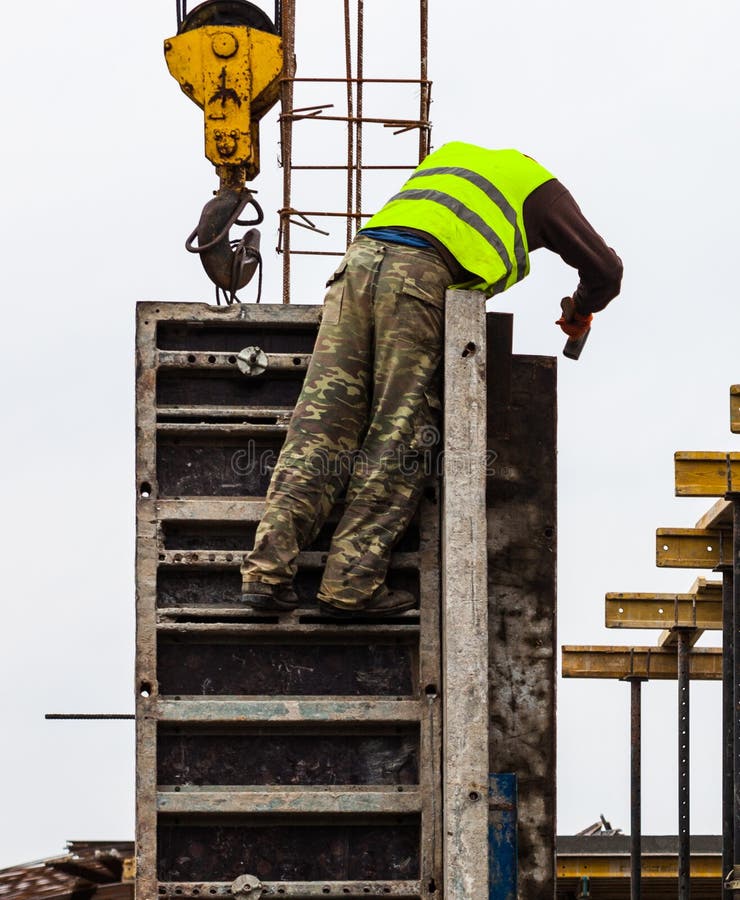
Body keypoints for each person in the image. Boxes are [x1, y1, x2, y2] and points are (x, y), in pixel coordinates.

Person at [241, 141, 622, 616]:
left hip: (355, 268)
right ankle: (350, 585)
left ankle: (266, 574)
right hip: (418, 278)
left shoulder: (451, 157)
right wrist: (581, 309)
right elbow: (606, 270)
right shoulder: (542, 190)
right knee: (399, 433)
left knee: (322, 424)